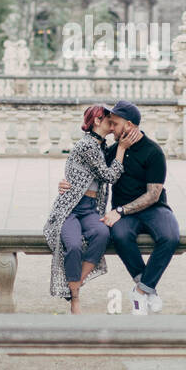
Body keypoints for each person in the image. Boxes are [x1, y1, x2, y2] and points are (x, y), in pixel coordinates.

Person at [57, 99, 178, 314]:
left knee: (170, 236)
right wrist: (67, 183)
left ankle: (142, 291)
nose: (111, 128)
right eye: (109, 123)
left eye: (115, 124)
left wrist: (120, 211)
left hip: (154, 208)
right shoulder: (113, 151)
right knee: (120, 237)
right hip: (123, 213)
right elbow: (87, 168)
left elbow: (153, 195)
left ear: (129, 125)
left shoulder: (153, 152)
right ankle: (148, 287)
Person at [43, 105, 141, 313]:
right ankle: (75, 299)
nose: (112, 122)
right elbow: (109, 176)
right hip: (70, 207)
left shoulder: (101, 146)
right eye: (108, 118)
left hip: (89, 208)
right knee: (74, 245)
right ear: (97, 120)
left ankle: (75, 283)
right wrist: (122, 149)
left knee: (102, 233)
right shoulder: (87, 145)